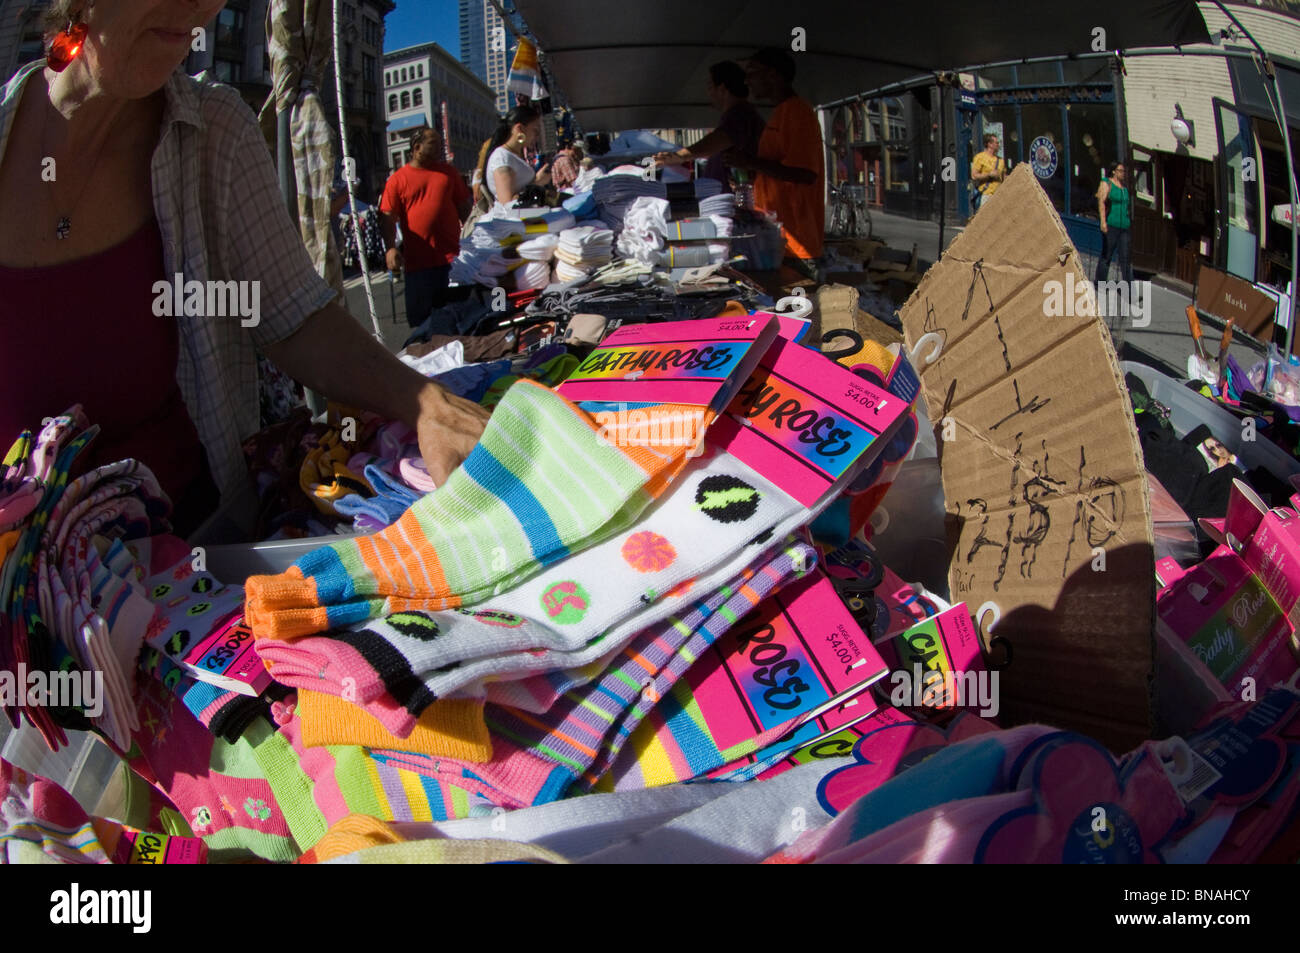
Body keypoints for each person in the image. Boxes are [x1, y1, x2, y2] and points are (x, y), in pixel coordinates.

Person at [0, 0, 488, 536]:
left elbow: (297, 317)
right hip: (21, 592)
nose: (202, 10)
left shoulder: (214, 130)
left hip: (198, 564)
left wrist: (427, 404)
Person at [725, 48, 824, 276]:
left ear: (773, 75)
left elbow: (805, 174)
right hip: (776, 239)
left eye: (752, 73)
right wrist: (750, 172)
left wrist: (751, 162)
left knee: (795, 309)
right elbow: (779, 169)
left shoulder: (798, 112)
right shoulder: (781, 112)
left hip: (796, 245)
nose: (747, 81)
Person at [378, 126, 471, 329]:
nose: (440, 147)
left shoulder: (448, 173)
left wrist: (472, 236)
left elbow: (464, 207)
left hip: (453, 259)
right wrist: (391, 248)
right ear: (417, 147)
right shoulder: (397, 180)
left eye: (440, 142)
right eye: (433, 143)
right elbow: (387, 217)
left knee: (459, 320)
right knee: (423, 325)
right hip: (419, 266)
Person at [653, 61, 765, 192]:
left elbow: (718, 140)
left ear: (722, 89)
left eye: (710, 86)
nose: (708, 93)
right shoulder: (739, 114)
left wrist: (679, 156)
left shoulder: (740, 114)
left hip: (735, 202)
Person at [477, 104, 551, 210]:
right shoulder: (502, 158)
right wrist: (538, 182)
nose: (537, 135)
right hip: (517, 222)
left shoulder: (510, 155)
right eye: (535, 130)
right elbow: (508, 203)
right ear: (520, 128)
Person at [1095, 161, 1134, 288]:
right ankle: (1100, 283)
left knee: (1125, 259)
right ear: (1114, 171)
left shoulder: (1124, 188)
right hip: (1111, 224)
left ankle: (1129, 290)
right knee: (1107, 255)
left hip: (1124, 227)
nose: (1123, 173)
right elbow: (1101, 202)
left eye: (1124, 171)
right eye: (1120, 171)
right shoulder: (1107, 183)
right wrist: (1103, 222)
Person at [971, 133, 1005, 209]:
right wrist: (989, 174)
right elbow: (974, 176)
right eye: (996, 143)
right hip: (986, 195)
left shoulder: (1000, 160)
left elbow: (1004, 178)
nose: (998, 145)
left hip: (999, 195)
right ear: (990, 144)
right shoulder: (980, 157)